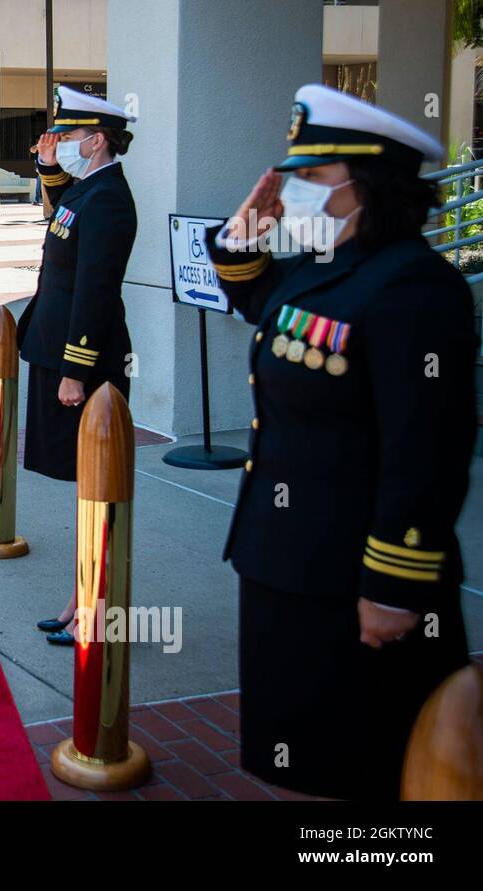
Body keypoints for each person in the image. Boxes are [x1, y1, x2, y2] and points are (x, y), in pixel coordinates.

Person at [205, 84, 476, 800]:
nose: (291, 191)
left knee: (359, 763)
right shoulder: (322, 268)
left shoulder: (416, 288)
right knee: (296, 754)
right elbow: (264, 303)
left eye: (311, 177)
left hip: (352, 583)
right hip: (283, 562)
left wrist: (392, 585)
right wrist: (243, 237)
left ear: (367, 185)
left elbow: (428, 453)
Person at [15, 87, 137, 645]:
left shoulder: (109, 199)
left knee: (98, 489)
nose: (60, 143)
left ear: (97, 140)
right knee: (84, 488)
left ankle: (97, 608)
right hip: (58, 353)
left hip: (82, 365)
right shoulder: (90, 189)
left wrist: (75, 370)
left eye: (67, 136)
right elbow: (65, 211)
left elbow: (95, 290)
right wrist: (46, 167)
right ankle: (79, 600)